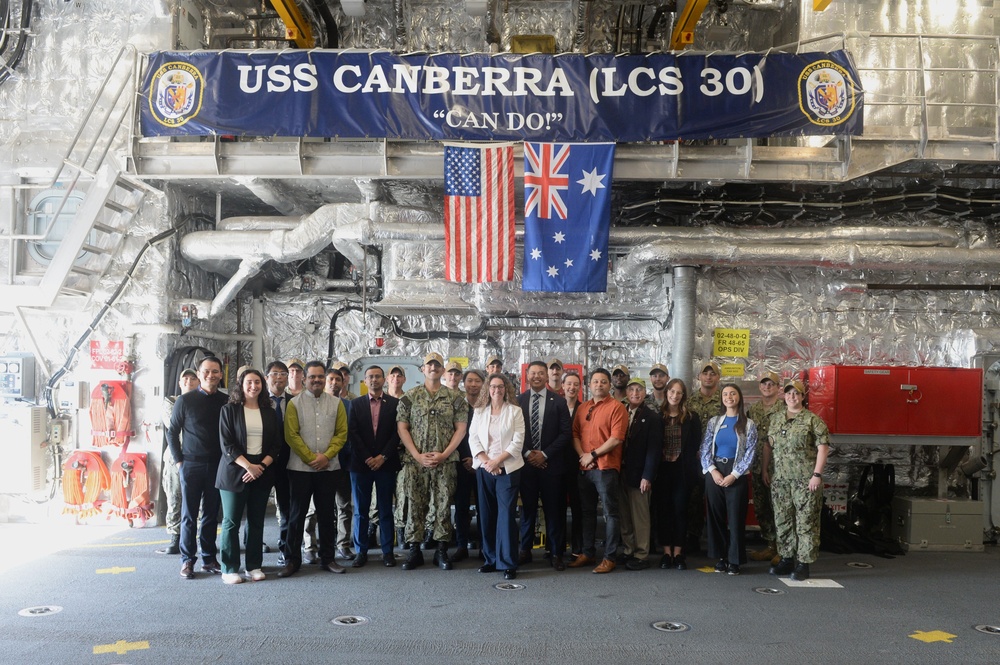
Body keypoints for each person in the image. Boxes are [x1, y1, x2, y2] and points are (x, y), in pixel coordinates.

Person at [396, 352, 468, 571]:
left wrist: (444, 454)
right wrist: (417, 455)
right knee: (415, 504)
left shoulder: (455, 398)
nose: (433, 368)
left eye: (437, 365)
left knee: (443, 505)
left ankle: (441, 550)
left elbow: (461, 429)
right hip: (416, 462)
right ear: (423, 369)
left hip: (444, 462)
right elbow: (402, 427)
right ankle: (414, 551)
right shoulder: (410, 397)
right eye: (430, 365)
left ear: (443, 370)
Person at [279, 361, 349, 577]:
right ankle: (292, 560)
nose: (316, 380)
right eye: (312, 377)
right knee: (296, 515)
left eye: (320, 377)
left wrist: (325, 457)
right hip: (300, 469)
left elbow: (341, 434)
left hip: (328, 469)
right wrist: (312, 458)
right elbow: (292, 435)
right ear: (304, 379)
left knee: (328, 515)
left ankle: (328, 559)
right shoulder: (294, 404)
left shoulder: (337, 404)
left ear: (325, 378)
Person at [216, 368, 280, 584]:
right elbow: (227, 445)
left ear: (263, 385)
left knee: (256, 521)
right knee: (231, 522)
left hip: (261, 471)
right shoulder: (229, 410)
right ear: (241, 385)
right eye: (249, 382)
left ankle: (254, 566)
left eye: (257, 382)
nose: (254, 386)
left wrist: (259, 466)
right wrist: (248, 466)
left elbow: (276, 445)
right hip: (234, 471)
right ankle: (229, 568)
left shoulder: (269, 411)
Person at [168, 357, 229, 580]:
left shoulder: (227, 400)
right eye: (206, 371)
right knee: (189, 516)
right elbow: (172, 433)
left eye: (215, 372)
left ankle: (209, 559)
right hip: (190, 465)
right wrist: (179, 461)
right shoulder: (185, 401)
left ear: (221, 374)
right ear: (199, 373)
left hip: (217, 465)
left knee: (211, 515)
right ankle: (187, 561)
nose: (211, 375)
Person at [764, 379, 830, 582]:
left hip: (805, 480)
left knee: (805, 522)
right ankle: (786, 558)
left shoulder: (812, 420)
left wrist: (817, 474)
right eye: (789, 393)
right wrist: (764, 469)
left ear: (802, 397)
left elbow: (823, 447)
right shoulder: (775, 419)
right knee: (783, 520)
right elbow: (768, 445)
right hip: (780, 479)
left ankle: (803, 563)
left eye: (797, 393)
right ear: (784, 396)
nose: (792, 397)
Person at [569, 368, 628, 573]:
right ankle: (587, 552)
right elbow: (575, 434)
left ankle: (610, 557)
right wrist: (583, 457)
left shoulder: (617, 407)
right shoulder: (583, 407)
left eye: (603, 381)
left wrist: (592, 455)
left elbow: (616, 438)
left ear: (609, 385)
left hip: (606, 468)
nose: (599, 385)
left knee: (610, 513)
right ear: (589, 385)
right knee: (587, 512)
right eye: (595, 381)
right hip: (584, 468)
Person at [468, 373, 525, 581]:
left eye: (500, 387)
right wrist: (487, 462)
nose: (497, 390)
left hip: (507, 469)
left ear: (506, 389)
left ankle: (508, 563)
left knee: (506, 515)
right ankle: (490, 559)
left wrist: (497, 461)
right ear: (487, 389)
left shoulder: (515, 412)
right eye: (493, 386)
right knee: (487, 515)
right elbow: (473, 439)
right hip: (485, 469)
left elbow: (517, 442)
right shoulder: (479, 411)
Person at [517, 360, 572, 570]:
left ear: (547, 377)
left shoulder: (558, 402)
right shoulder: (518, 401)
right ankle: (525, 551)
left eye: (541, 373)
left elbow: (565, 434)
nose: (537, 376)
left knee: (554, 511)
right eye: (533, 373)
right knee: (527, 511)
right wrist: (529, 453)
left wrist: (545, 454)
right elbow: (514, 433)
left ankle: (556, 553)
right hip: (526, 465)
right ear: (527, 376)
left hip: (552, 466)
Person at [700, 383, 757, 576]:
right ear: (721, 398)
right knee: (715, 516)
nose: (729, 396)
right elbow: (705, 448)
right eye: (725, 394)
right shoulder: (714, 422)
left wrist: (734, 474)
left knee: (735, 518)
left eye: (733, 393)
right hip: (716, 470)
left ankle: (735, 560)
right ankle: (721, 557)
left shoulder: (748, 424)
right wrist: (713, 471)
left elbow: (750, 452)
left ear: (739, 397)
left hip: (736, 473)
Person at [347, 365, 400, 568]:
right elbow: (353, 433)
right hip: (361, 465)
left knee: (386, 508)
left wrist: (383, 457)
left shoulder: (394, 404)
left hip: (386, 465)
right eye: (370, 377)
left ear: (384, 380)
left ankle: (388, 552)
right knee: (361, 510)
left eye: (378, 376)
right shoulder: (356, 404)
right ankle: (361, 552)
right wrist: (369, 457)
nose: (374, 380)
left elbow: (397, 433)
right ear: (365, 380)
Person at [654, 378, 701, 570]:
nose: (675, 395)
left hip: (682, 470)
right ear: (667, 393)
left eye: (678, 392)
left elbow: (696, 445)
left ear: (683, 396)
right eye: (672, 391)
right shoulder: (657, 417)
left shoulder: (692, 418)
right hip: (663, 470)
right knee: (664, 511)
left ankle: (679, 553)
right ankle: (666, 553)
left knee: (680, 510)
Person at [618, 378, 663, 571]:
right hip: (621, 472)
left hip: (640, 475)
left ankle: (641, 554)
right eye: (631, 390)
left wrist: (648, 476)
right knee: (624, 515)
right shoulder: (621, 412)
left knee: (640, 516)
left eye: (639, 390)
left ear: (645, 393)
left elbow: (654, 450)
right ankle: (628, 549)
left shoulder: (652, 417)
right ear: (627, 393)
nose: (635, 393)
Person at [156, 368, 200, 555]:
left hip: (197, 457)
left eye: (193, 379)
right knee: (174, 497)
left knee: (199, 502)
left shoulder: (204, 401)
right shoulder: (171, 402)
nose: (189, 382)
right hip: (176, 458)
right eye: (185, 379)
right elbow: (175, 424)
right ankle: (175, 537)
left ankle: (197, 538)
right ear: (180, 383)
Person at [747, 371, 785, 564]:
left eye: (772, 384)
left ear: (778, 388)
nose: (767, 387)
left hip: (778, 467)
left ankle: (783, 548)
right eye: (764, 384)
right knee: (762, 508)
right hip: (756, 465)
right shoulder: (753, 410)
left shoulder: (785, 409)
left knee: (779, 508)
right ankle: (770, 546)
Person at [685, 361, 723, 553]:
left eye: (713, 373)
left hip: (719, 459)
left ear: (718, 377)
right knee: (694, 498)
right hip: (694, 458)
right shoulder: (690, 402)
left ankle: (719, 541)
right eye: (705, 373)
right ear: (699, 377)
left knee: (717, 499)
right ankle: (693, 536)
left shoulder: (725, 401)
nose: (709, 376)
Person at [453, 368, 485, 562]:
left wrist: (477, 459)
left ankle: (484, 546)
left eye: (477, 381)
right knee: (461, 506)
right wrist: (464, 458)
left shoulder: (488, 406)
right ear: (464, 384)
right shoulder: (457, 405)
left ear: (483, 384)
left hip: (483, 464)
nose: (473, 385)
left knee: (484, 507)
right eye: (470, 381)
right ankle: (461, 545)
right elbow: (453, 434)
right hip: (460, 463)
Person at [264, 361, 292, 566]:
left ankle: (286, 549)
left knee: (287, 509)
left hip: (288, 463)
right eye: (274, 373)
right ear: (267, 378)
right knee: (256, 507)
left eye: (283, 373)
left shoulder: (294, 402)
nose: (279, 377)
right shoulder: (257, 401)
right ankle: (253, 547)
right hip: (262, 464)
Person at [561, 371, 585, 560]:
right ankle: (557, 547)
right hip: (557, 464)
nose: (572, 387)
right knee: (558, 507)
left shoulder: (584, 409)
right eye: (569, 384)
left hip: (578, 464)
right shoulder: (556, 406)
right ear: (563, 386)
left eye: (576, 384)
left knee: (578, 508)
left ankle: (578, 547)